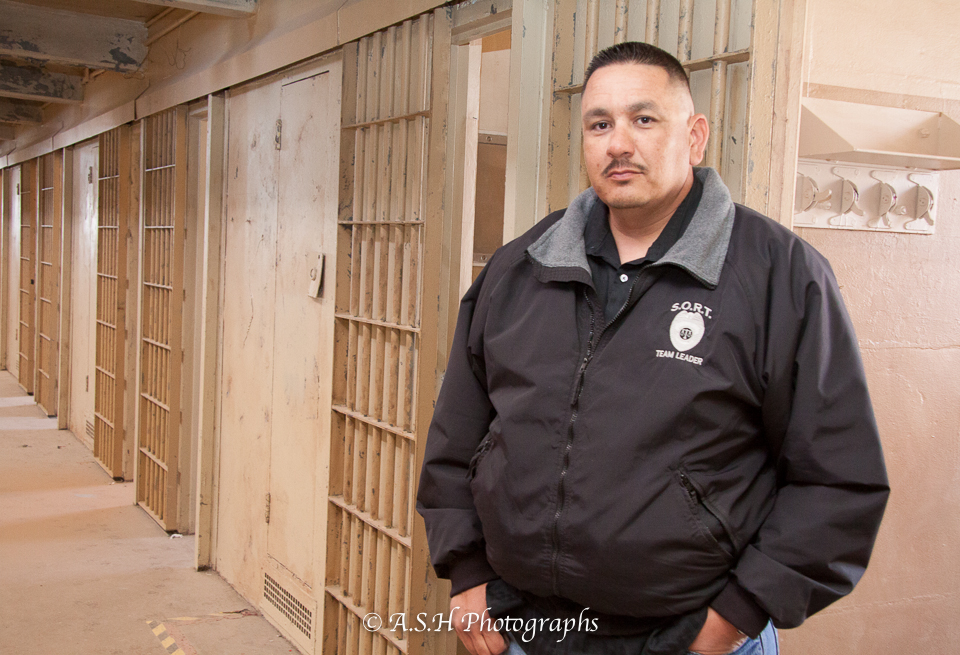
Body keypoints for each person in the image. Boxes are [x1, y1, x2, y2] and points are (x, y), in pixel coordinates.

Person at [416, 41, 888, 655]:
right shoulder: (520, 269)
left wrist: (735, 618)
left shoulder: (778, 276)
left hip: (688, 637)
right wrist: (467, 571)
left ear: (694, 136)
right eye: (600, 124)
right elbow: (456, 440)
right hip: (524, 629)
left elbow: (838, 480)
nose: (618, 143)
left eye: (644, 119)